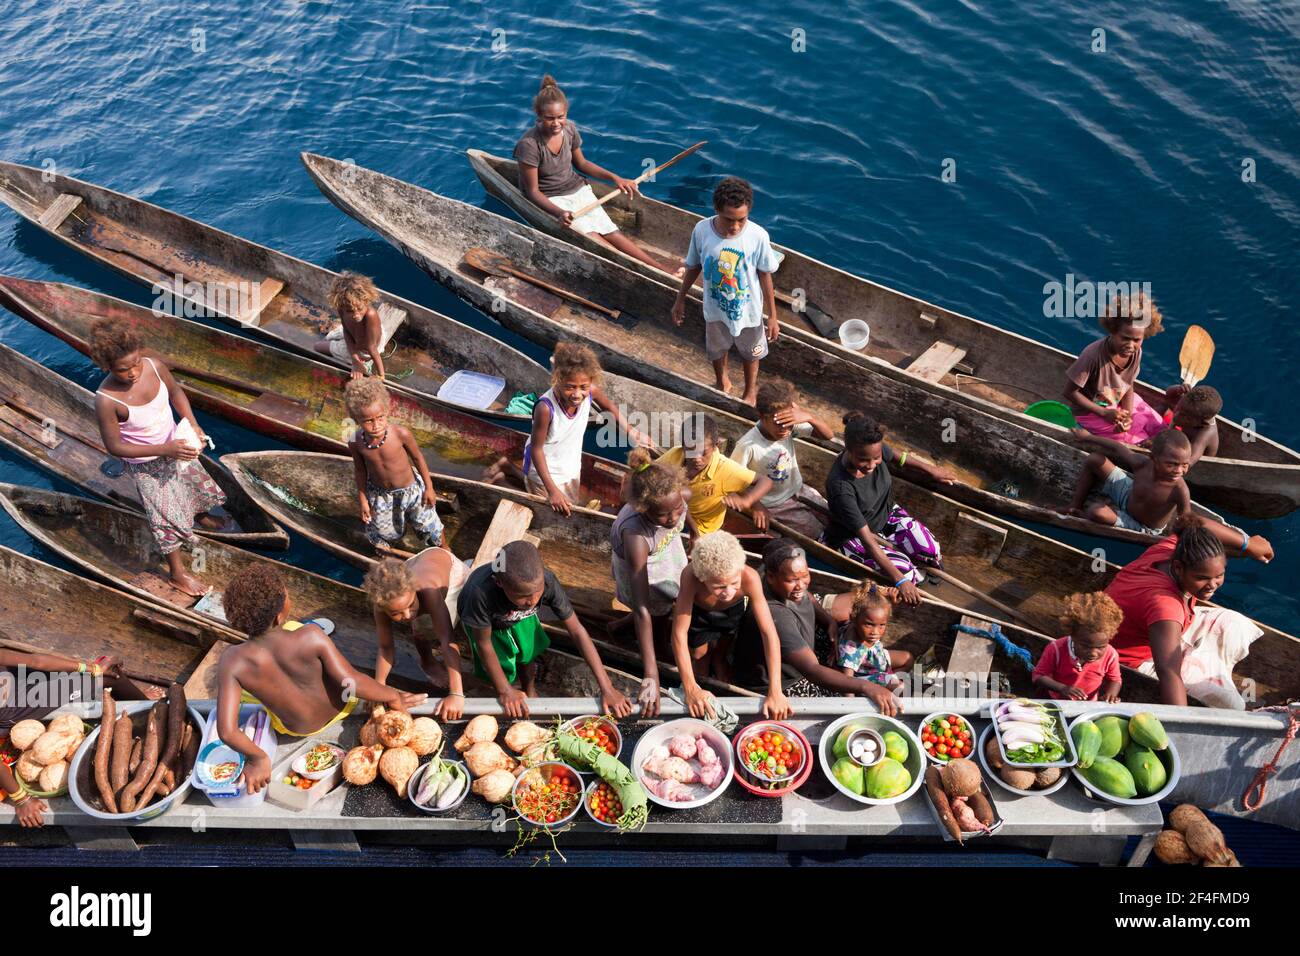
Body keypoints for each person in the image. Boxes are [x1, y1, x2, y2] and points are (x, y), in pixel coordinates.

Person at [216, 565, 427, 793]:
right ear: (279, 615)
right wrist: (392, 695)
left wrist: (258, 758)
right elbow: (351, 681)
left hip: (299, 730)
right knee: (297, 629)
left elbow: (227, 732)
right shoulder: (310, 635)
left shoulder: (230, 661)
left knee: (246, 684)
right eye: (285, 593)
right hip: (343, 708)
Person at [90, 318, 228, 597]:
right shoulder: (107, 400)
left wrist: (192, 422)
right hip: (147, 465)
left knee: (192, 485)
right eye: (122, 369)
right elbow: (115, 447)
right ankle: (177, 574)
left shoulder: (154, 366)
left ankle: (199, 515)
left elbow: (176, 392)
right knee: (162, 518)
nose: (132, 372)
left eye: (136, 363)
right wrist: (164, 450)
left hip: (176, 444)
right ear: (106, 367)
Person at [456, 540, 631, 719]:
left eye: (537, 592)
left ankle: (529, 690)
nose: (532, 601)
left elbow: (577, 631)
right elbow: (483, 644)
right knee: (502, 668)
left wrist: (607, 688)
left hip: (519, 617)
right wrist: (505, 691)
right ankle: (504, 692)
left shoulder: (546, 582)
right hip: (487, 627)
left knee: (529, 655)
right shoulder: (480, 594)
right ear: (499, 583)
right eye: (523, 596)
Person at [1106, 519, 1271, 706]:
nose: (1212, 585)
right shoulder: (1165, 605)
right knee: (1232, 704)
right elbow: (1169, 672)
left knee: (1236, 622)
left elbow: (1195, 523)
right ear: (1178, 568)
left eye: (1219, 575)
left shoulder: (1178, 547)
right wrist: (1182, 722)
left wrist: (1247, 544)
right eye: (1202, 578)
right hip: (1131, 660)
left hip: (1161, 627)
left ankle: (1212, 665)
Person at [732, 539, 905, 715]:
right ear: (771, 576)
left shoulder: (780, 579)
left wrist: (828, 621)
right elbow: (812, 670)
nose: (800, 585)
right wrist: (867, 687)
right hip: (788, 680)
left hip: (803, 647)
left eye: (805, 576)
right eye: (792, 580)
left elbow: (809, 596)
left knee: (850, 623)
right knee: (843, 700)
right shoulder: (777, 615)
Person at [515, 75, 666, 272]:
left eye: (561, 117)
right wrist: (559, 212)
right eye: (549, 118)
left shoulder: (569, 130)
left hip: (576, 188)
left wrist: (616, 178)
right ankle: (635, 269)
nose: (556, 123)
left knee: (611, 231)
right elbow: (533, 191)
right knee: (593, 236)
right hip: (551, 198)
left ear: (566, 114)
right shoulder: (529, 145)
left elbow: (582, 163)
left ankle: (661, 269)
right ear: (538, 116)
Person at [0, 649, 144, 827]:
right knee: (106, 678)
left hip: (23, 681)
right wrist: (22, 799)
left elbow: (36, 661)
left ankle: (150, 707)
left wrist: (91, 668)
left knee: (105, 674)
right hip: (16, 708)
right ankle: (149, 707)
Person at [822, 412, 954, 605]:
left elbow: (899, 458)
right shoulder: (841, 487)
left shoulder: (875, 448)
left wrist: (930, 470)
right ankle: (916, 580)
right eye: (864, 460)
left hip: (887, 515)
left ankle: (921, 571)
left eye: (876, 458)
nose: (871, 465)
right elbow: (867, 539)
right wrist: (900, 580)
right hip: (855, 537)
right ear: (848, 450)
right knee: (906, 572)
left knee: (931, 549)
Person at [671, 176, 781, 406]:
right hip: (715, 310)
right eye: (728, 219)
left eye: (741, 219)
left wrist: (772, 315)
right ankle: (723, 382)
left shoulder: (757, 235)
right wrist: (680, 299)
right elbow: (694, 266)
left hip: (748, 313)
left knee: (751, 353)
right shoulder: (702, 230)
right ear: (716, 209)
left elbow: (764, 274)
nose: (735, 226)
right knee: (717, 350)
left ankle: (750, 392)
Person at [668, 531, 792, 721]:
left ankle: (719, 660)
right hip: (699, 614)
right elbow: (679, 633)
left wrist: (775, 690)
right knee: (699, 654)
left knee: (725, 641)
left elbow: (769, 633)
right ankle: (701, 674)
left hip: (732, 613)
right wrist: (690, 688)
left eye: (734, 583)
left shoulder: (749, 577)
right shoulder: (690, 576)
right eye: (718, 587)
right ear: (703, 578)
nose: (728, 592)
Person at [609, 449, 692, 717]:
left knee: (672, 598)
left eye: (677, 509)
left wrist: (697, 534)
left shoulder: (675, 498)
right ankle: (655, 644)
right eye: (663, 517)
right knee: (653, 611)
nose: (673, 519)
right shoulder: (635, 535)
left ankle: (623, 625)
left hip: (666, 552)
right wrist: (651, 673)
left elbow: (684, 510)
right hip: (644, 567)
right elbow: (642, 605)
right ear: (644, 509)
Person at [522, 341, 650, 514]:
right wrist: (552, 491)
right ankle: (503, 477)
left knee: (570, 504)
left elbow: (609, 407)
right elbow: (537, 450)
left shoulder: (591, 391)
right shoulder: (545, 408)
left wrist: (632, 431)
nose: (577, 394)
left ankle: (506, 469)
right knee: (551, 511)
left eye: (583, 387)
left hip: (570, 464)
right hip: (545, 470)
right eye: (570, 387)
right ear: (557, 380)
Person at [363, 551, 472, 720]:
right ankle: (427, 661)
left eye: (410, 605)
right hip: (418, 563)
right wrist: (379, 688)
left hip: (449, 573)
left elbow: (447, 640)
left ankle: (469, 565)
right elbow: (385, 647)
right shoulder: (383, 602)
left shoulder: (429, 591)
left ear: (413, 590)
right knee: (420, 625)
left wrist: (457, 694)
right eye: (396, 613)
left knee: (458, 620)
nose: (406, 615)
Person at [344, 377, 442, 556]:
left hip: (412, 492)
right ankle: (391, 557)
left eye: (380, 418)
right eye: (368, 421)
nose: (376, 425)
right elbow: (359, 470)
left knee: (429, 526)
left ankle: (444, 551)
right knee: (384, 534)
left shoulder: (400, 434)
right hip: (381, 496)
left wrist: (429, 488)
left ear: (387, 411)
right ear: (356, 419)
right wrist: (363, 501)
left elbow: (418, 459)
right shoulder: (355, 441)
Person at [729, 380, 834, 538]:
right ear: (762, 417)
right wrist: (756, 505)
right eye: (779, 424)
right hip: (773, 503)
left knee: (833, 518)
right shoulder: (748, 445)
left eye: (789, 424)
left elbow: (828, 436)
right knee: (814, 533)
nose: (785, 430)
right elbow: (733, 480)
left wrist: (810, 417)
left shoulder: (789, 426)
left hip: (797, 489)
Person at [1062, 291, 1166, 444]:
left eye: (1137, 340)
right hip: (1090, 411)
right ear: (1112, 331)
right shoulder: (1093, 356)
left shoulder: (1136, 352)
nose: (1130, 345)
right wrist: (1104, 413)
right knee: (1128, 438)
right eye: (1125, 338)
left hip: (1114, 400)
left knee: (1157, 423)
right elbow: (1070, 393)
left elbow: (1128, 384)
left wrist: (1128, 415)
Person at [656, 415, 771, 535]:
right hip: (674, 516)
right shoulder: (675, 454)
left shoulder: (725, 468)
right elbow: (652, 473)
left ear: (717, 445)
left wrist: (749, 501)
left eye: (703, 452)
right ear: (683, 445)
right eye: (691, 451)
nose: (696, 458)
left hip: (701, 529)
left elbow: (765, 481)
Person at [1068, 428, 1195, 536]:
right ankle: (1074, 507)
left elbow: (1185, 519)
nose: (1179, 470)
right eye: (1172, 464)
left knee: (1095, 511)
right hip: (1127, 496)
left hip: (1142, 527)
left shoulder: (1179, 489)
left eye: (1185, 465)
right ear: (1153, 459)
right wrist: (1088, 437)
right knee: (1095, 459)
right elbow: (1117, 447)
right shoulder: (1142, 464)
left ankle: (1086, 516)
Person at [1071, 384, 1223, 466]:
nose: (1177, 414)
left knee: (1122, 435)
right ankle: (1093, 401)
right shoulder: (1190, 406)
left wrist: (1158, 443)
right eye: (1179, 408)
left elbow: (1186, 463)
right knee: (1141, 406)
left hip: (1177, 448)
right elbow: (1168, 397)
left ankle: (1087, 408)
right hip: (1170, 433)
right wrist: (1177, 390)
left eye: (1183, 415)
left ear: (1200, 422)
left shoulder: (1204, 434)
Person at [1031, 592, 1124, 702]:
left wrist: (1110, 695)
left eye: (1100, 647)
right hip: (1056, 700)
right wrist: (1063, 688)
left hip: (1088, 704)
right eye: (1086, 646)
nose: (1093, 653)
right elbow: (1038, 676)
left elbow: (1115, 679)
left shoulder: (1110, 654)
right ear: (1072, 635)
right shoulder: (1056, 649)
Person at [835, 581, 914, 698]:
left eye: (882, 625)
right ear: (854, 619)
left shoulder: (862, 619)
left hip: (875, 658)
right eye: (869, 625)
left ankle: (886, 682)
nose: (875, 632)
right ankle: (876, 690)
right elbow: (847, 682)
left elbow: (873, 595)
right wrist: (851, 707)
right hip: (862, 676)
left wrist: (890, 598)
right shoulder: (851, 649)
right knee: (901, 688)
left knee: (908, 658)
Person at [312, 272, 388, 380]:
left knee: (317, 346)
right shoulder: (342, 308)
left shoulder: (370, 315)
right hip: (355, 338)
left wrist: (380, 375)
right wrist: (354, 359)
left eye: (360, 309)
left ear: (366, 301)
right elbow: (346, 331)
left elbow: (372, 349)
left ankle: (364, 364)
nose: (356, 315)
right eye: (350, 311)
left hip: (367, 351)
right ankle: (354, 358)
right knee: (327, 338)